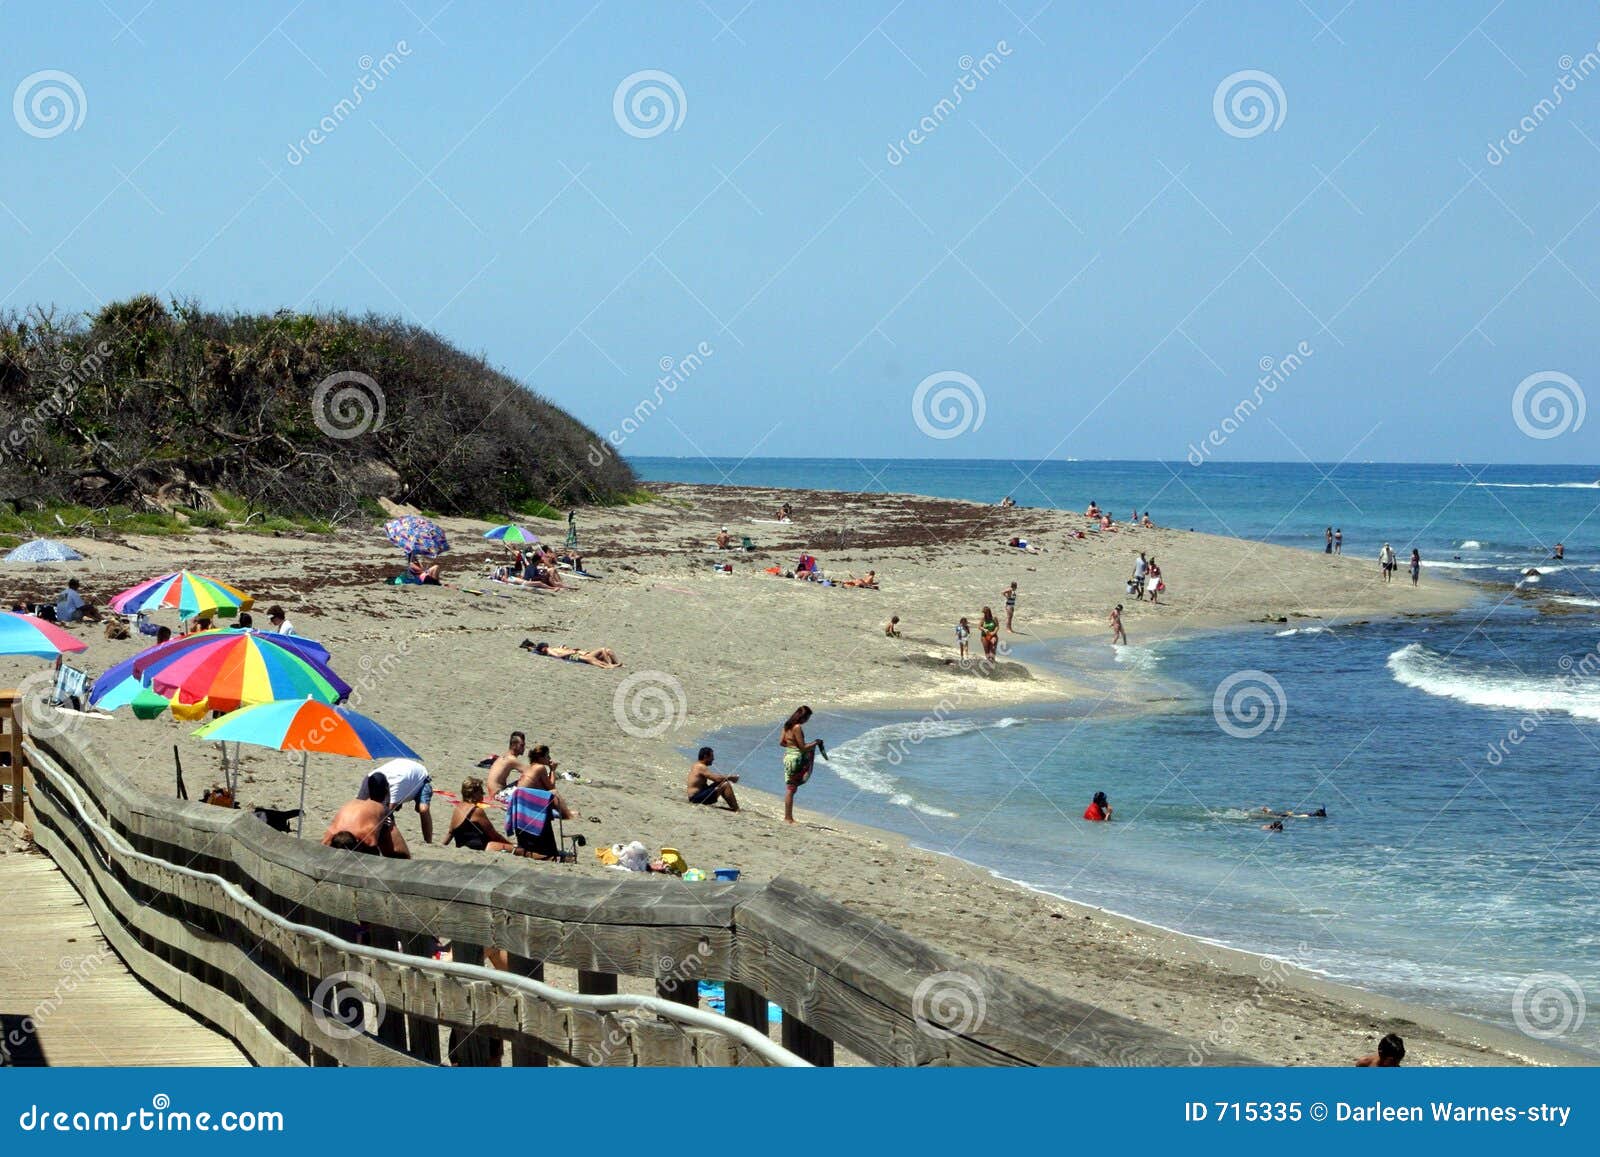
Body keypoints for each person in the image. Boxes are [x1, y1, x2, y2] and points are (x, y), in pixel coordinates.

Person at [322, 773, 410, 857]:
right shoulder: (333, 832)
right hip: (364, 810)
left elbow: (372, 845)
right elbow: (372, 845)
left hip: (375, 812)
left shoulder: (333, 832)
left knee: (382, 847)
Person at [357, 757, 434, 844]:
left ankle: (428, 842)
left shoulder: (395, 788)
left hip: (421, 778)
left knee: (423, 809)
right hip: (403, 772)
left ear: (386, 789)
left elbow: (387, 815)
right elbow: (358, 806)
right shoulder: (368, 780)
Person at [443, 778, 514, 851]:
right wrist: (511, 845)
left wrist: (443, 847)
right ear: (474, 794)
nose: (483, 794)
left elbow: (450, 833)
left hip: (462, 845)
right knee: (519, 850)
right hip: (481, 846)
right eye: (481, 792)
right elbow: (494, 835)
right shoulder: (476, 811)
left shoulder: (458, 808)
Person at [780, 706, 823, 824]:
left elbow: (782, 742)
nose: (807, 720)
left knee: (790, 786)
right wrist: (816, 742)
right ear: (803, 717)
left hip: (788, 757)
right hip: (796, 759)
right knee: (791, 789)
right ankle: (788, 817)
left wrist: (792, 745)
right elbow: (803, 748)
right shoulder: (797, 727)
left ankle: (788, 816)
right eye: (807, 718)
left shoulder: (787, 725)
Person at [485, 731, 527, 799]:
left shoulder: (504, 756)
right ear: (514, 745)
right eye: (522, 745)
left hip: (493, 792)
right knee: (528, 780)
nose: (524, 748)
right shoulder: (511, 759)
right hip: (498, 794)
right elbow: (531, 772)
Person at [520, 640, 622, 668]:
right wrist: (570, 651)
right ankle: (609, 665)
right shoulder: (549, 651)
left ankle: (613, 664)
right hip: (576, 655)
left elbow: (534, 649)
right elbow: (558, 656)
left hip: (579, 653)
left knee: (606, 651)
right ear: (544, 648)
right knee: (599, 653)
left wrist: (566, 648)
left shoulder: (550, 649)